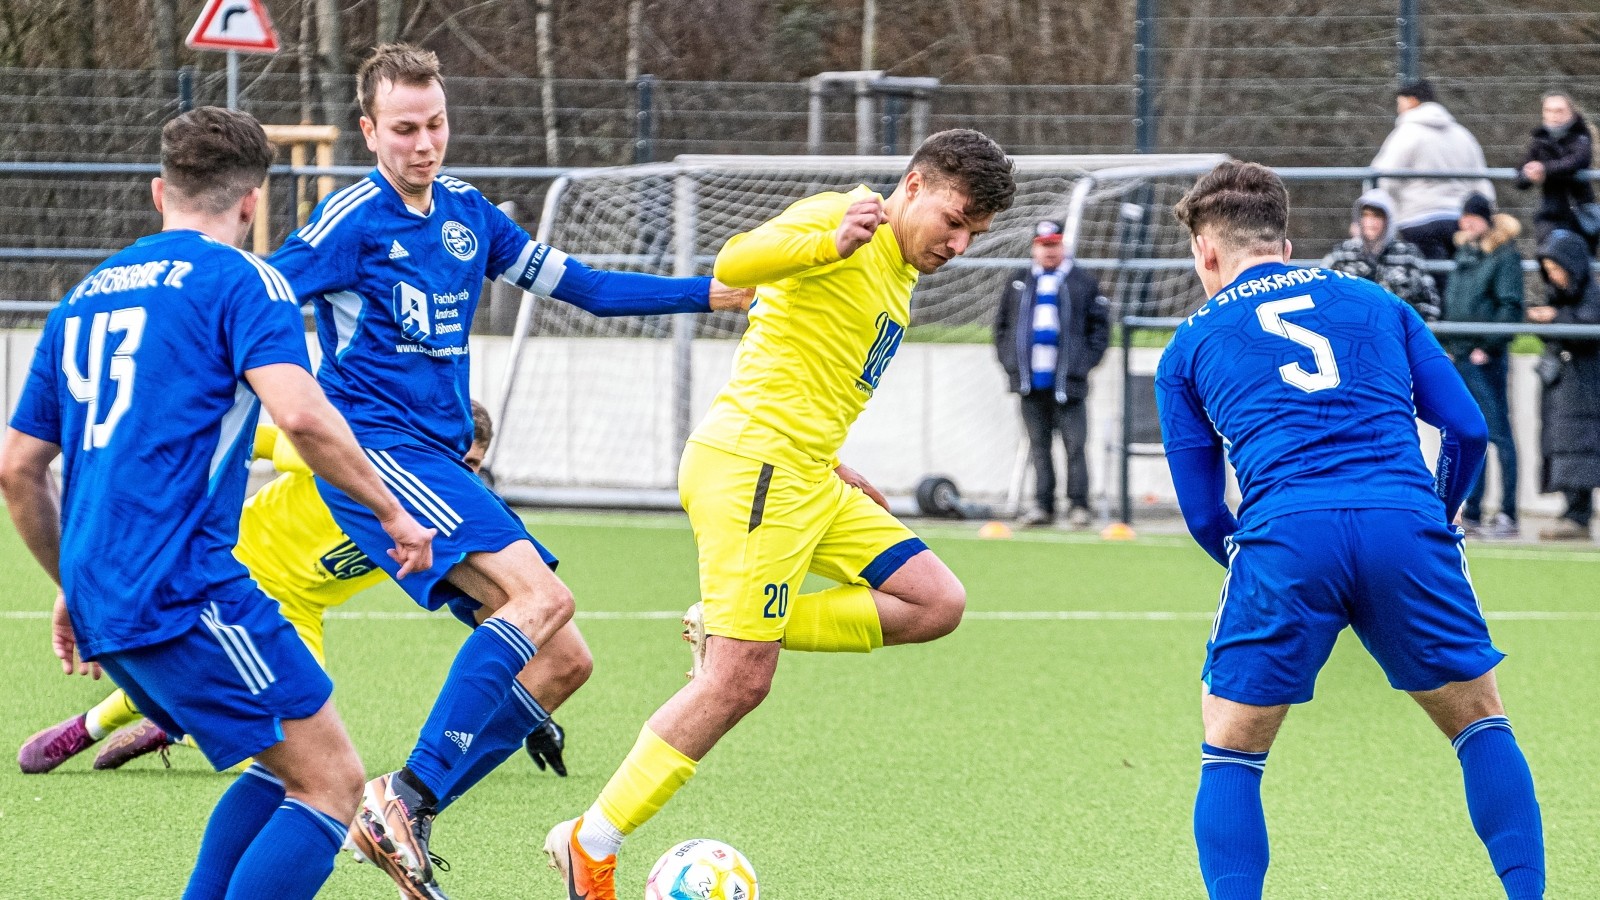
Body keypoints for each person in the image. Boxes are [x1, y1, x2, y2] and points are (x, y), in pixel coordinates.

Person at [265, 43, 749, 900]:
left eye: (436, 123)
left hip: (438, 460)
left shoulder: (468, 215)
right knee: (542, 599)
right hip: (379, 453)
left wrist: (709, 293)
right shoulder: (350, 220)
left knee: (563, 662)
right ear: (369, 131)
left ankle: (409, 807)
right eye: (404, 129)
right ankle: (403, 799)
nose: (424, 143)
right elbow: (259, 294)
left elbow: (585, 287)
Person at [543, 128, 1017, 900]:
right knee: (738, 682)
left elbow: (810, 363)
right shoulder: (847, 216)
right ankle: (588, 843)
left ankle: (725, 624)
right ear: (914, 186)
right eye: (955, 220)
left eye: (976, 234)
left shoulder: (900, 270)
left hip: (806, 474)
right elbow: (734, 264)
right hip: (753, 469)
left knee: (936, 600)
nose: (960, 244)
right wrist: (827, 242)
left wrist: (830, 459)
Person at [0, 107, 435, 899]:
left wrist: (72, 580)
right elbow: (302, 415)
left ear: (158, 192)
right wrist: (394, 510)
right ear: (252, 201)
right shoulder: (247, 281)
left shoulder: (83, 298)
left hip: (106, 592)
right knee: (333, 785)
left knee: (282, 766)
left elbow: (18, 469)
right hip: (185, 591)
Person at [1157, 161, 1543, 899]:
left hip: (1285, 536)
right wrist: (1437, 514)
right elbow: (1467, 429)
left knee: (1231, 748)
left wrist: (1258, 567)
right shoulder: (1377, 301)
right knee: (1479, 723)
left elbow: (1204, 514)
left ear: (1205, 252)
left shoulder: (1188, 345)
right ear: (1285, 243)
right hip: (1403, 522)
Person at [17, 402, 571, 780]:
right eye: (454, 455)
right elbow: (256, 439)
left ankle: (175, 726)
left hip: (304, 606)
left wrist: (531, 711)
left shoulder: (451, 520)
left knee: (283, 746)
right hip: (238, 569)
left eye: (471, 465)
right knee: (276, 736)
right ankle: (89, 729)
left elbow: (494, 618)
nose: (460, 472)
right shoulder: (348, 460)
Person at [993, 218, 1111, 528]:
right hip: (1030, 384)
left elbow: (1100, 330)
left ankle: (1079, 505)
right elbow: (1002, 327)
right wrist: (1011, 363)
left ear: (1063, 245)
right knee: (1038, 447)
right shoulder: (1019, 281)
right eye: (1043, 245)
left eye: (1054, 245)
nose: (1049, 251)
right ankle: (1042, 505)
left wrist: (1082, 365)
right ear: (1034, 248)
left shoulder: (1083, 282)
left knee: (1075, 446)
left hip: (1068, 384)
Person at [1441, 192, 1525, 539]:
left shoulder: (1504, 256)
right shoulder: (1465, 254)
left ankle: (1508, 512)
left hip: (1484, 358)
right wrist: (1450, 345)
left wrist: (1487, 347)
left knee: (1499, 434)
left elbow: (1510, 307)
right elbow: (1454, 302)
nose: (1467, 222)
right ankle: (1473, 510)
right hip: (1461, 355)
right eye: (1465, 216)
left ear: (1486, 219)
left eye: (1473, 216)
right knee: (1471, 433)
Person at [1371, 79, 1495, 294]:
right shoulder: (1462, 134)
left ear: (1411, 101)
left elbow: (1384, 178)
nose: (1398, 109)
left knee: (1429, 286)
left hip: (1417, 220)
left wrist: (1379, 213)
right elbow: (1481, 182)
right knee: (1459, 283)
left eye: (1399, 103)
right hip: (1459, 221)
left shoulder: (1406, 133)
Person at [1527, 230, 1600, 542]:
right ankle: (1571, 510)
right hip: (1563, 384)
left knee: (1581, 445)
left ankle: (1578, 515)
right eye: (1549, 270)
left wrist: (1556, 317)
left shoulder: (1591, 294)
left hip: (1585, 384)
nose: (1554, 276)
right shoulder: (1559, 296)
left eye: (1557, 268)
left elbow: (1587, 326)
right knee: (1564, 444)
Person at [1321, 187, 1441, 321]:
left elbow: (1430, 303)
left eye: (1377, 216)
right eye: (1365, 215)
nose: (1370, 222)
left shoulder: (1408, 255)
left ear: (1388, 220)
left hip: (1394, 329)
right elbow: (1320, 293)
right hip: (1350, 327)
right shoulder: (1341, 254)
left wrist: (1410, 329)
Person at [1516, 91, 1599, 252]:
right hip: (1550, 216)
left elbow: (1575, 162)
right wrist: (1528, 175)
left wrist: (1543, 169)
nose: (1554, 115)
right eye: (1548, 110)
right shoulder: (1539, 140)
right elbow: (1520, 176)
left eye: (1559, 110)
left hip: (1580, 214)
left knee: (1578, 263)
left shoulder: (1581, 136)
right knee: (1549, 259)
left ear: (1571, 112)